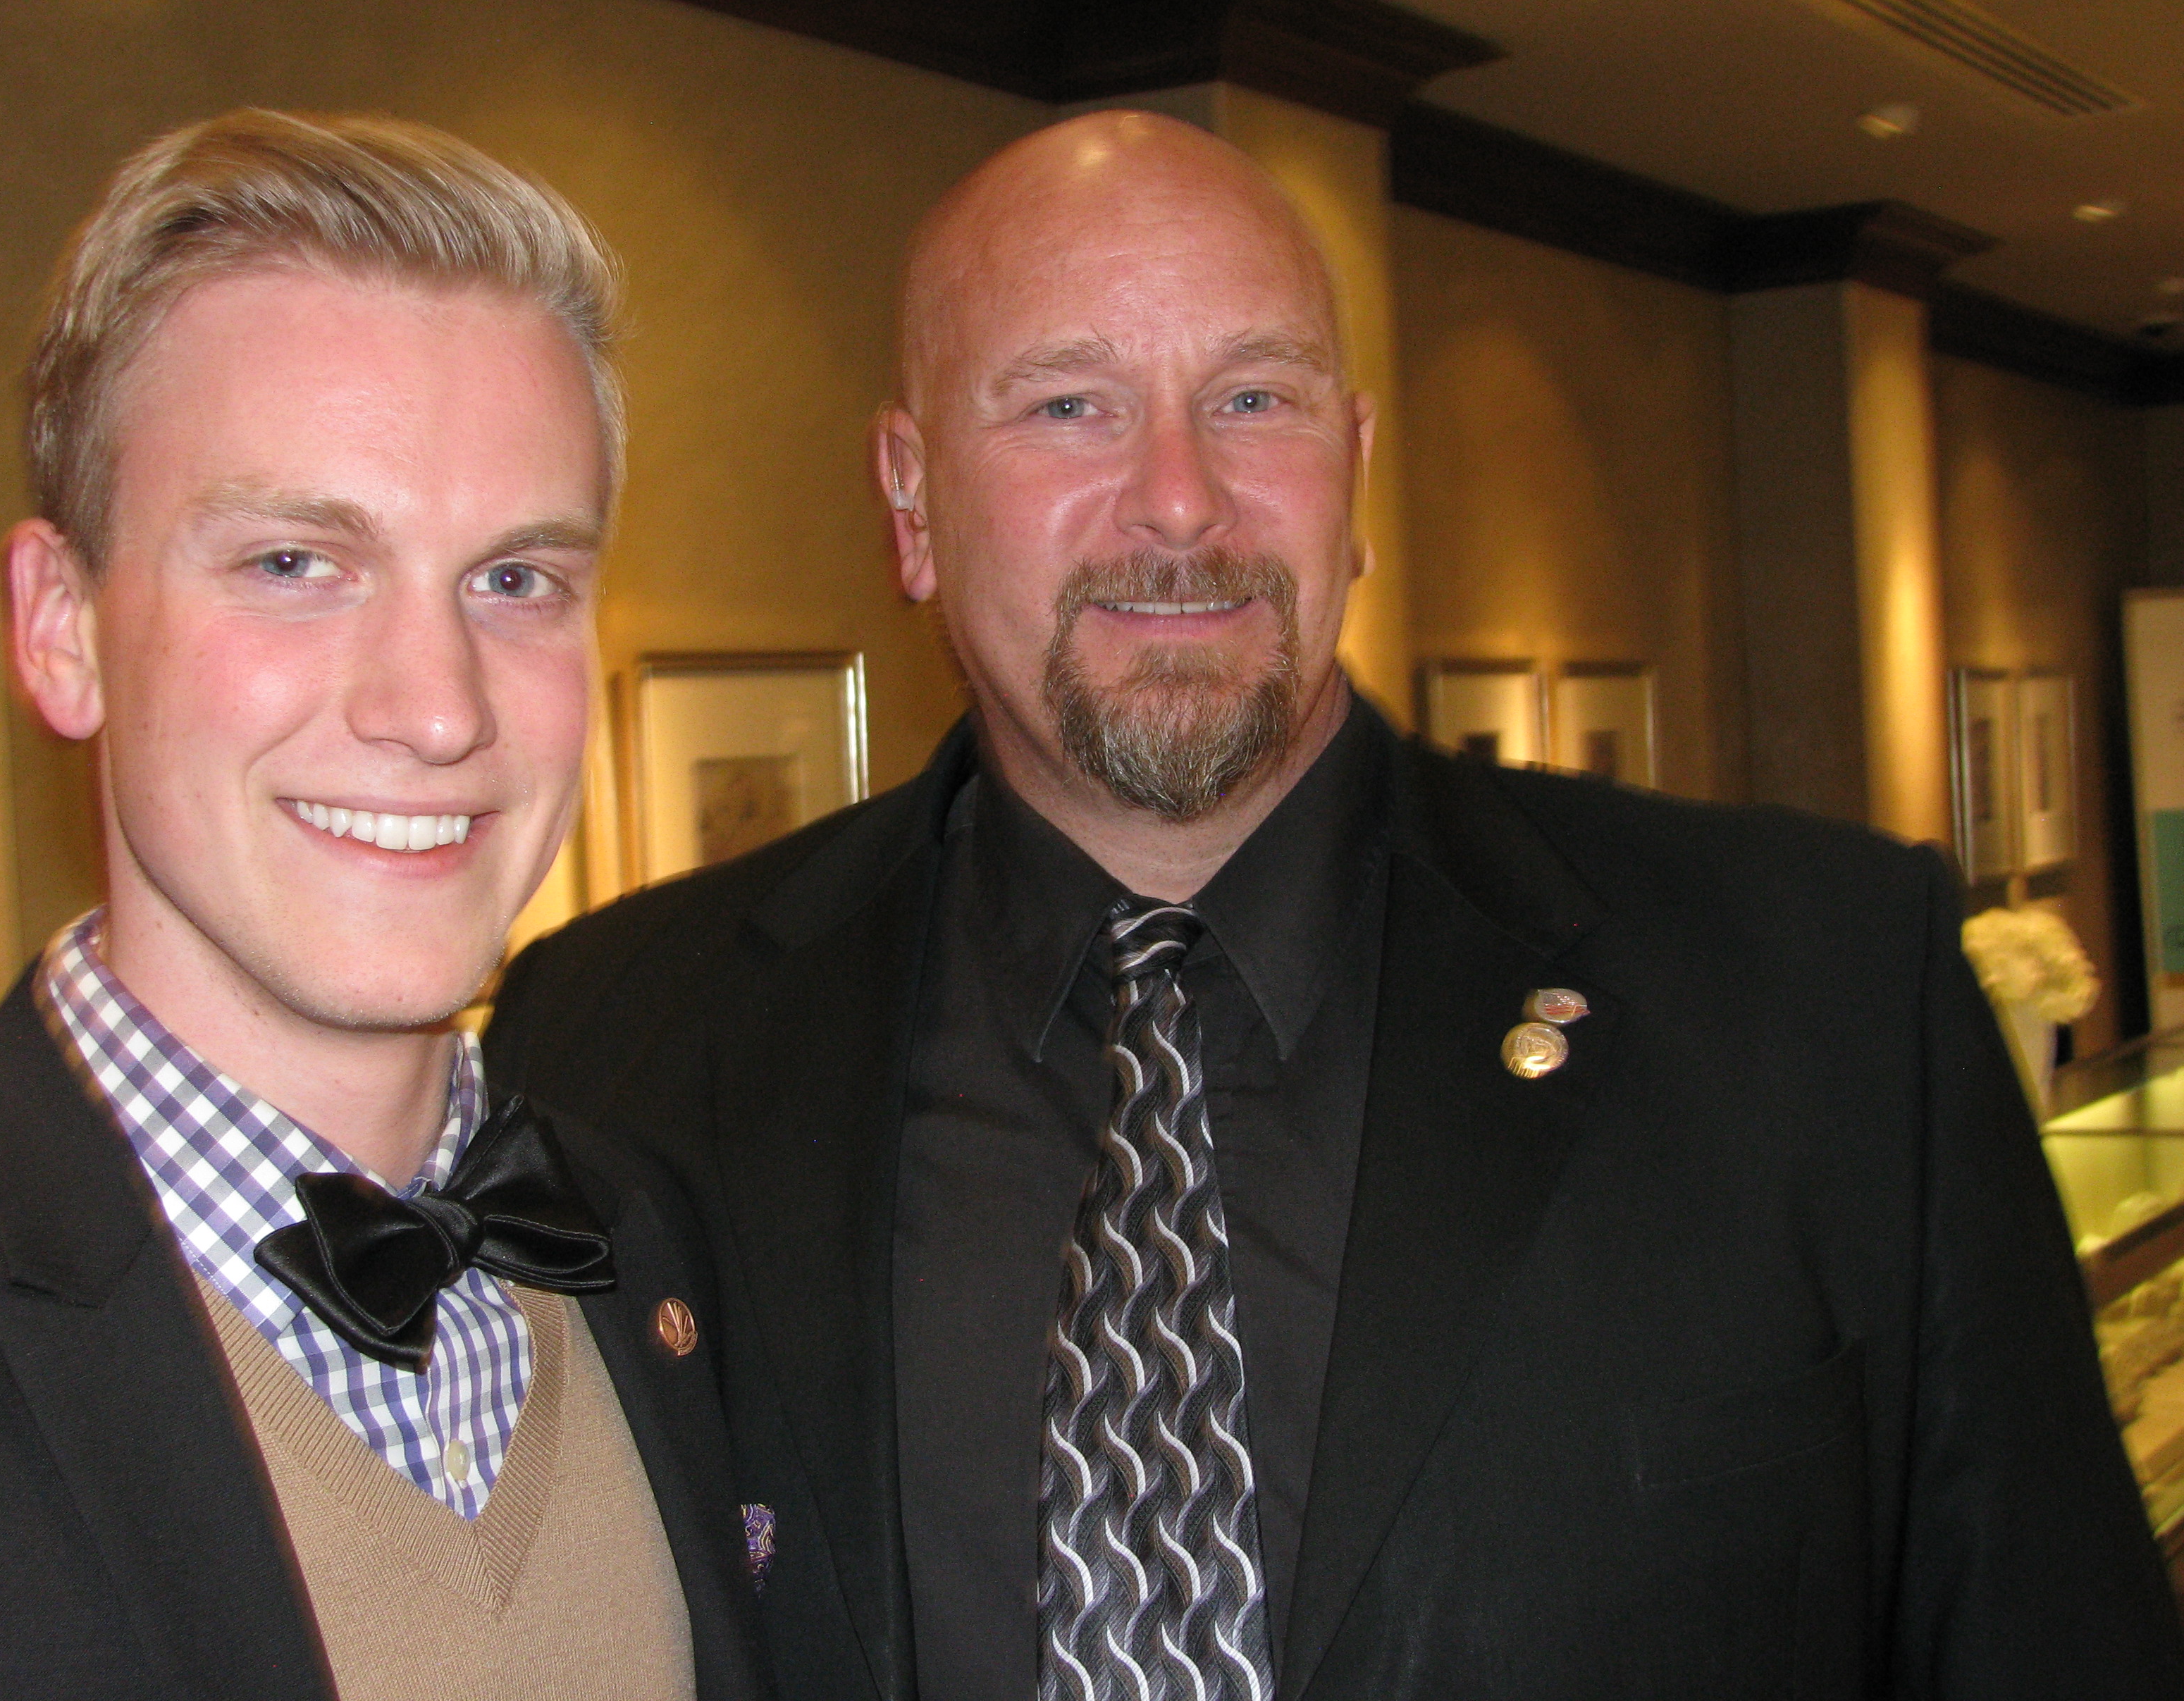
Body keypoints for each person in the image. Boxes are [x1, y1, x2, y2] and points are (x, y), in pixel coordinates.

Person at [486, 111, 2184, 1700]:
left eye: (1256, 398)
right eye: (1067, 404)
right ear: (912, 498)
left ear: (1356, 472)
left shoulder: (1823, 1003)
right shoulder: (626, 1046)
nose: (1177, 499)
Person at [0, 111, 772, 1701]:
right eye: (297, 561)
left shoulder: (662, 1245)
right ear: (61, 627)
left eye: (516, 581)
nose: (437, 711)